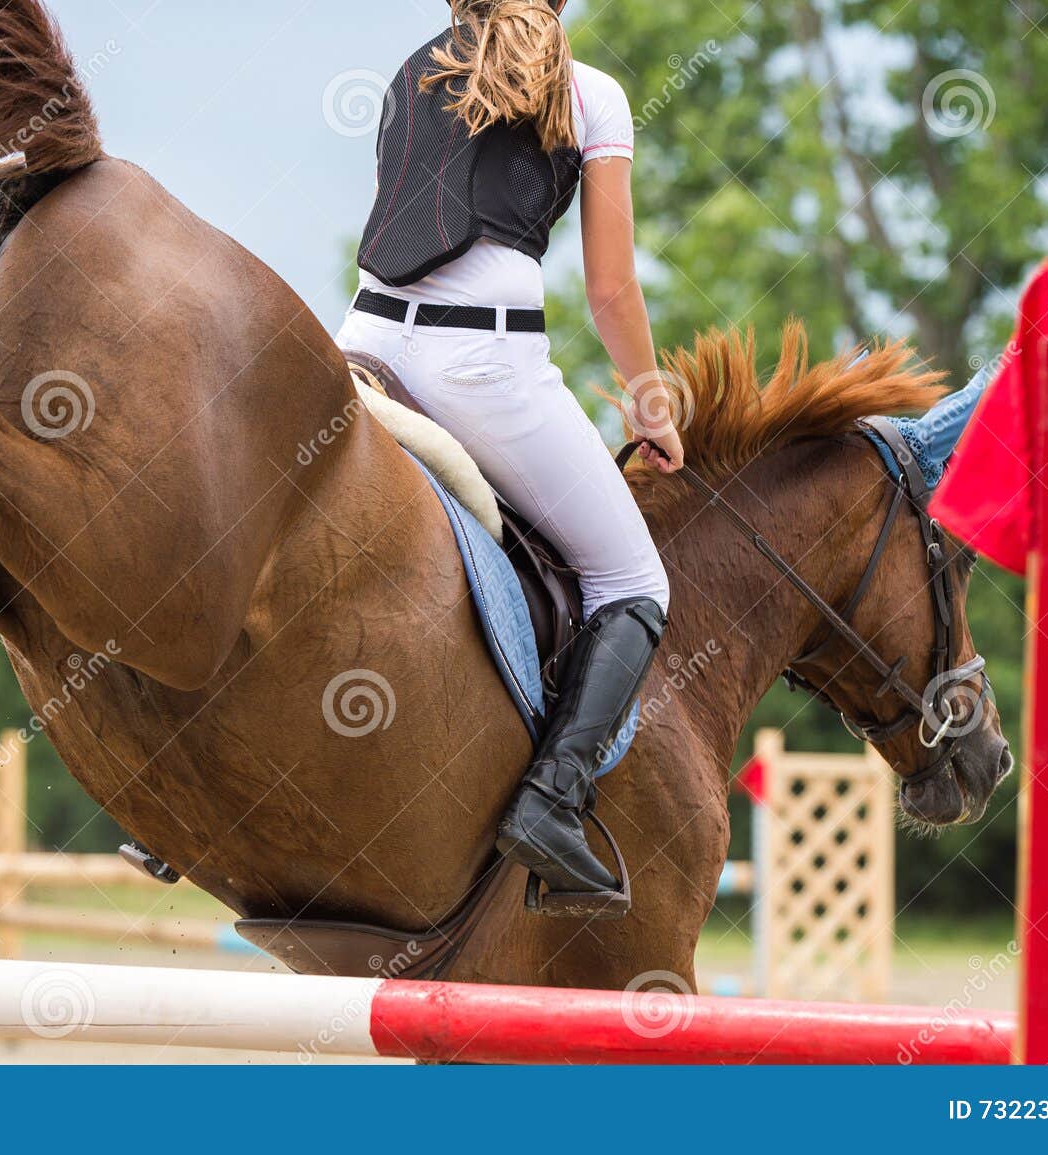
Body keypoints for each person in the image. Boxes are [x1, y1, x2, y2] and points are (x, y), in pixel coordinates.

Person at [336, 0, 682, 918]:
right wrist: (651, 403)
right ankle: (550, 801)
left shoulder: (415, 69)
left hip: (361, 343)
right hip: (481, 366)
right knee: (633, 579)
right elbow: (609, 290)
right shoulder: (589, 92)